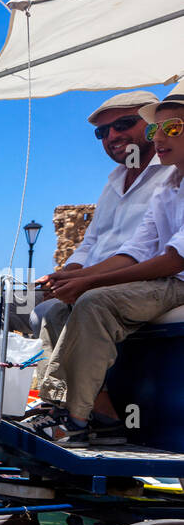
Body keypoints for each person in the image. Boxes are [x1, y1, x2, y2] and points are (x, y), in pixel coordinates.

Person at [32, 85, 184, 447]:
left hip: (173, 278)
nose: (160, 137)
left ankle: (71, 418)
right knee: (53, 310)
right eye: (155, 129)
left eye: (171, 129)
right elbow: (132, 250)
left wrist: (90, 285)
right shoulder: (168, 187)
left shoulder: (164, 178)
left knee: (93, 303)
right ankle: (101, 417)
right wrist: (71, 277)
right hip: (159, 276)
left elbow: (174, 259)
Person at [34, 91, 170, 346]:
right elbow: (90, 243)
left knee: (52, 312)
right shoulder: (113, 182)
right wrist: (64, 276)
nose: (112, 136)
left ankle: (83, 386)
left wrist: (84, 281)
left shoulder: (173, 175)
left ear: (154, 126)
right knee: (6, 305)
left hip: (131, 282)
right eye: (103, 132)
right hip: (92, 281)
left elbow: (150, 252)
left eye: (123, 124)